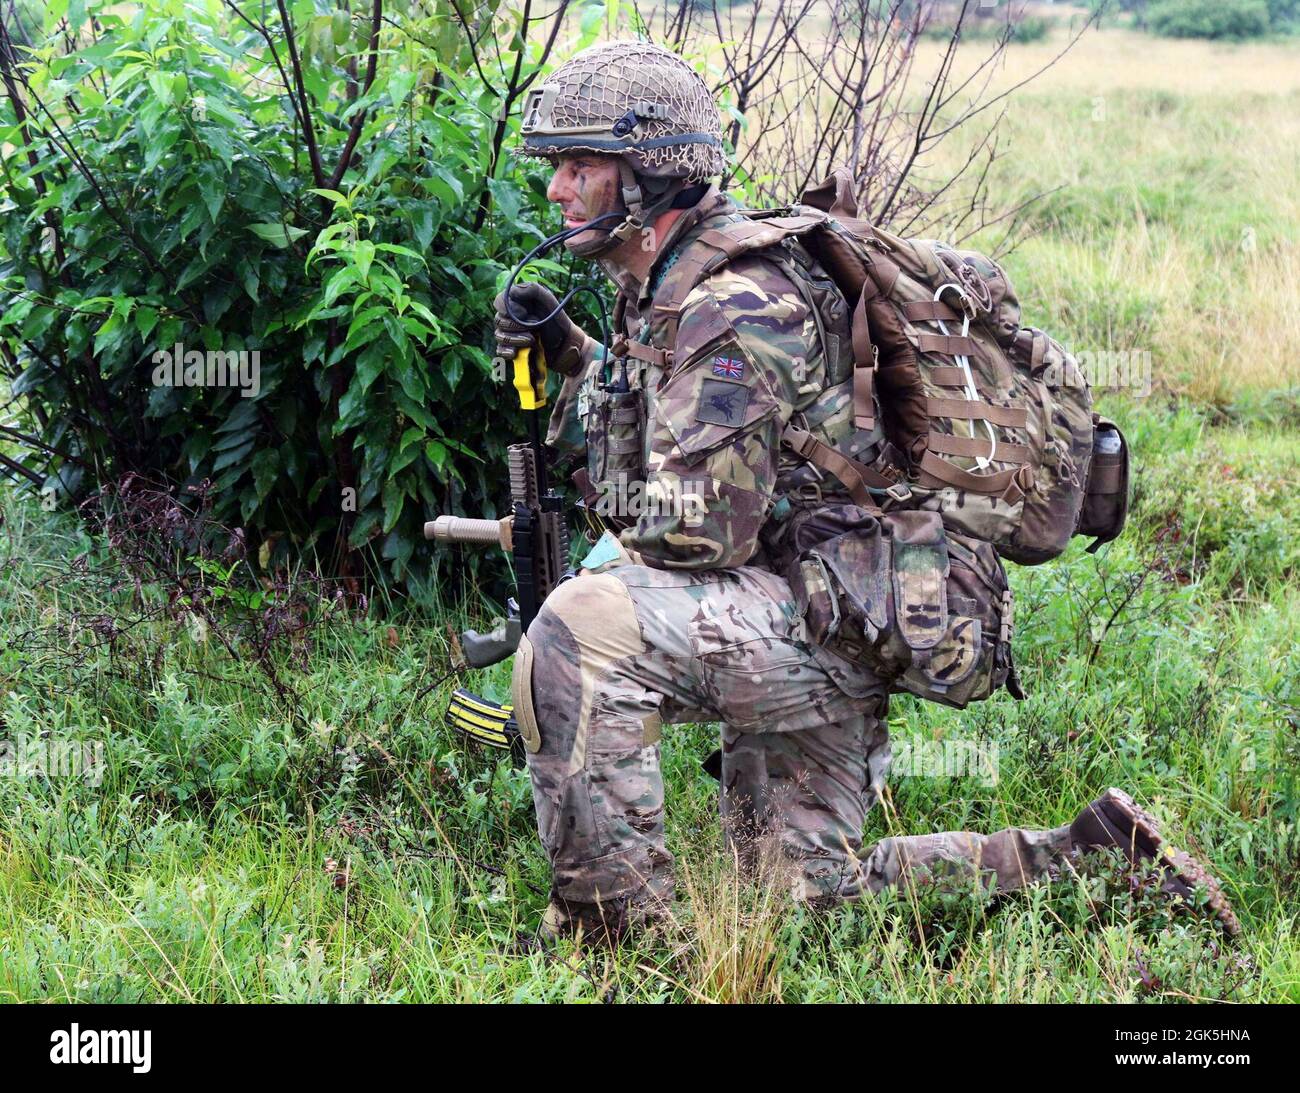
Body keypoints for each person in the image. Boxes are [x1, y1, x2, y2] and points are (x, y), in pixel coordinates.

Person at [492, 40, 1239, 943]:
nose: (556, 191)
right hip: (842, 596)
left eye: (581, 166)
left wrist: (597, 554)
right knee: (797, 897)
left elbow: (700, 534)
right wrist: (581, 361)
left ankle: (613, 942)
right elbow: (713, 425)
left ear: (650, 176)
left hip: (830, 616)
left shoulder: (735, 302)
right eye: (557, 167)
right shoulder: (684, 280)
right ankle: (1092, 860)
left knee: (578, 631)